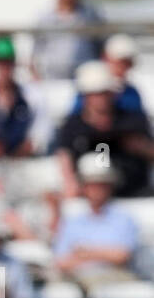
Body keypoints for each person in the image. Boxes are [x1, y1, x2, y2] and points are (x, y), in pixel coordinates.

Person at [53, 60, 154, 200]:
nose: (101, 98)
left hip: (133, 194)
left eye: (105, 92)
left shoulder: (133, 121)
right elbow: (65, 156)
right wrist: (71, 183)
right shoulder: (73, 126)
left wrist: (140, 147)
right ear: (85, 96)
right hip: (90, 202)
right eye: (96, 93)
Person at [54, 153, 142, 295]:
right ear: (84, 187)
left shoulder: (124, 218)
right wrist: (103, 255)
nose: (97, 190)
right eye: (92, 184)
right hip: (77, 281)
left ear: (111, 186)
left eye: (102, 184)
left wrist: (85, 253)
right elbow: (61, 261)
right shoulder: (72, 221)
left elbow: (122, 256)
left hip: (115, 279)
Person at [32, 0, 104, 81]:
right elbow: (35, 52)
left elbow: (102, 47)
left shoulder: (91, 16)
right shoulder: (45, 19)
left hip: (85, 83)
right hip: (52, 82)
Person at [69, 34, 145, 116]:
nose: (123, 67)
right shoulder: (89, 87)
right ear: (105, 57)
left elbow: (138, 122)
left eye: (128, 63)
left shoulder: (131, 93)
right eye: (120, 62)